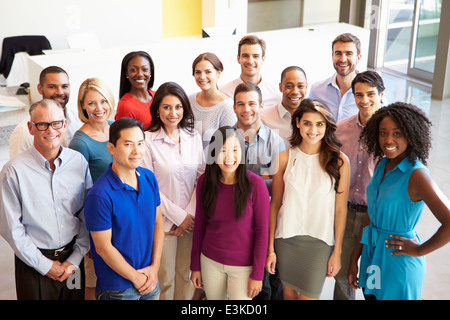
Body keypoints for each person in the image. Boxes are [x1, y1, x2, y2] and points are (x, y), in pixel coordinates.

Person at [348, 102, 450, 300]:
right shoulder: (383, 163)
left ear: (410, 135)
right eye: (382, 132)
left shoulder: (417, 175)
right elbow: (370, 216)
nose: (388, 140)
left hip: (398, 263)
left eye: (397, 133)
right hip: (373, 257)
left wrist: (419, 250)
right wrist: (355, 258)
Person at [0, 99, 92, 300]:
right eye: (42, 125)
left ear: (65, 124)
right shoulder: (13, 171)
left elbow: (87, 215)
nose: (51, 130)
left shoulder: (78, 163)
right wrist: (45, 265)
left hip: (72, 263)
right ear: (31, 128)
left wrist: (75, 259)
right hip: (33, 264)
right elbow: (11, 229)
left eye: (56, 123)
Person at [266, 99, 350, 300]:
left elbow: (340, 210)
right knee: (288, 295)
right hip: (286, 239)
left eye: (319, 124)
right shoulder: (284, 158)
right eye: (307, 123)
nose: (313, 130)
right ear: (297, 123)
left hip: (319, 242)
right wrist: (270, 249)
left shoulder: (339, 161)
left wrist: (337, 252)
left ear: (326, 126)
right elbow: (275, 205)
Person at [84, 117, 164, 300]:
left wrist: (155, 267)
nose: (136, 151)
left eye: (140, 143)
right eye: (128, 144)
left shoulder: (149, 178)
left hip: (149, 278)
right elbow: (103, 248)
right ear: (111, 148)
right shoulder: (100, 195)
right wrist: (135, 277)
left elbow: (158, 223)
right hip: (118, 288)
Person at [190, 126, 270, 300]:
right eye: (223, 151)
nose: (229, 157)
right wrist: (195, 265)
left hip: (244, 267)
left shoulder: (256, 185)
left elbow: (263, 233)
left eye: (235, 150)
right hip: (210, 261)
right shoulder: (205, 181)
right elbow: (199, 226)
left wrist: (258, 274)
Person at [142, 82, 205, 300]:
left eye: (178, 107)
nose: (173, 113)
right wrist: (178, 216)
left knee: (186, 278)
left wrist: (188, 215)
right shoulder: (147, 140)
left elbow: (201, 178)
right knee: (165, 280)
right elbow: (148, 186)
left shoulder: (193, 137)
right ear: (157, 109)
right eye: (166, 107)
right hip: (162, 224)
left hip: (191, 222)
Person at [333, 70, 385, 300]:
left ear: (381, 94)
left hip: (375, 216)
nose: (364, 100)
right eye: (359, 94)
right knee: (342, 275)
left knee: (373, 277)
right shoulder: (340, 128)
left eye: (370, 94)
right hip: (345, 211)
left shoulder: (390, 133)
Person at [233, 81, 285, 300]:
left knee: (267, 288)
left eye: (252, 103)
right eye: (241, 104)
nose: (246, 109)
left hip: (265, 226)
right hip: (232, 227)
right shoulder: (221, 138)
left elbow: (280, 190)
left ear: (261, 106)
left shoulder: (276, 142)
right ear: (234, 107)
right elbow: (214, 184)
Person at [68, 77, 116, 300]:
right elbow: (77, 194)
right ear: (83, 106)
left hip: (120, 217)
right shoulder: (80, 142)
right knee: (93, 283)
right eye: (92, 103)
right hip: (97, 222)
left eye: (103, 101)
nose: (99, 108)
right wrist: (85, 237)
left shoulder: (117, 128)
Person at [9, 66, 82, 157]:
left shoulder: (78, 120)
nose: (60, 92)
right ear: (40, 88)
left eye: (64, 86)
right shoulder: (23, 131)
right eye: (52, 87)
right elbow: (18, 168)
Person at [308, 33, 362, 121]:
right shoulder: (316, 90)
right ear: (332, 56)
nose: (342, 59)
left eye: (348, 54)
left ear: (358, 58)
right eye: (338, 53)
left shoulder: (370, 94)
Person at [189, 52, 236, 149]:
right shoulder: (188, 100)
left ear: (218, 73)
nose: (202, 77)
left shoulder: (227, 107)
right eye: (198, 72)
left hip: (213, 163)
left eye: (208, 72)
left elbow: (228, 147)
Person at [220, 35, 280, 109]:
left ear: (263, 59)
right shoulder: (223, 93)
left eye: (255, 56)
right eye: (245, 56)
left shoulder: (277, 94)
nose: (250, 61)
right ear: (238, 59)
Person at [262, 66, 308, 147]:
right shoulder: (264, 119)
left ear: (306, 87)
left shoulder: (316, 118)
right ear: (280, 87)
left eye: (300, 86)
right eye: (289, 86)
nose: (295, 92)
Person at [115, 51, 156, 129]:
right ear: (126, 73)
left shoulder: (158, 96)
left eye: (145, 69)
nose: (140, 74)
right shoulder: (126, 106)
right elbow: (124, 138)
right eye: (133, 70)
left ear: (150, 71)